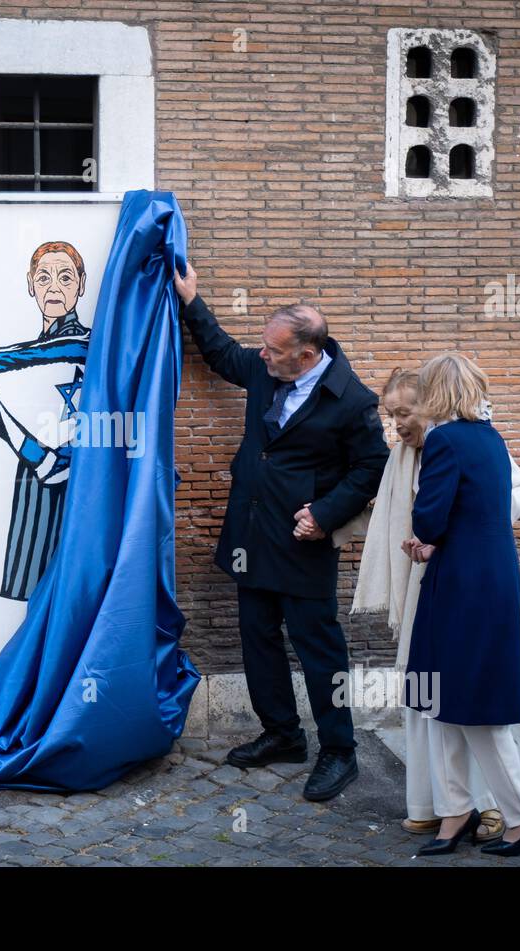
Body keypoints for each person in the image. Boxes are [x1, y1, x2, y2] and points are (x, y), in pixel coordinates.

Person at [173, 263, 388, 801]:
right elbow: (223, 354)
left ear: (308, 355)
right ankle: (283, 734)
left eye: (272, 349)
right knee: (258, 638)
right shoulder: (268, 370)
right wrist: (192, 301)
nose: (262, 355)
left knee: (318, 647)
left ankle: (340, 750)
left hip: (303, 541)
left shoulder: (352, 401)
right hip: (251, 534)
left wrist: (326, 513)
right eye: (264, 348)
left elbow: (373, 466)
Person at [348, 368, 520, 844]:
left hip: (464, 585)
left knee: (471, 702)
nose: (396, 425)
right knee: (430, 703)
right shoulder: (423, 451)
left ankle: (496, 808)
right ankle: (441, 808)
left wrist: (466, 521)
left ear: (429, 402)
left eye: (403, 413)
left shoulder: (454, 441)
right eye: (389, 415)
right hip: (434, 587)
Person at [402, 353, 520, 856]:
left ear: (434, 393)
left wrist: (425, 531)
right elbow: (476, 513)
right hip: (479, 577)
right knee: (441, 700)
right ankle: (455, 812)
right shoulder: (491, 437)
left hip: (465, 585)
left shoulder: (443, 439)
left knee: (473, 707)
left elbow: (430, 520)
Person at [0, 241, 92, 601]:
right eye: (44, 277)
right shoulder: (33, 355)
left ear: (81, 284)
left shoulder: (84, 344)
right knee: (30, 588)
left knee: (63, 590)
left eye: (66, 278)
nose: (54, 287)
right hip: (33, 475)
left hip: (71, 480)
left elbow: (46, 353)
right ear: (31, 284)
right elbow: (3, 424)